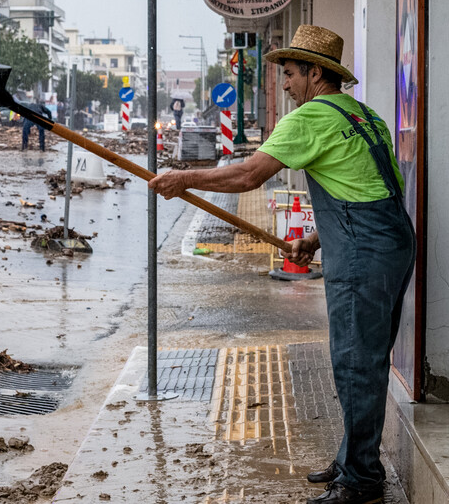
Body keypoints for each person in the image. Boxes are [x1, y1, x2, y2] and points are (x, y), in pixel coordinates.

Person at [148, 25, 414, 504]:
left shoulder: (310, 116)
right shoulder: (365, 115)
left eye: (290, 74)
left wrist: (184, 177)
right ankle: (353, 458)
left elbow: (250, 174)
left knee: (356, 363)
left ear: (315, 73)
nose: (286, 84)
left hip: (361, 253)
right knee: (367, 360)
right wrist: (314, 239)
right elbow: (370, 188)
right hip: (394, 243)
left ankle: (361, 482)